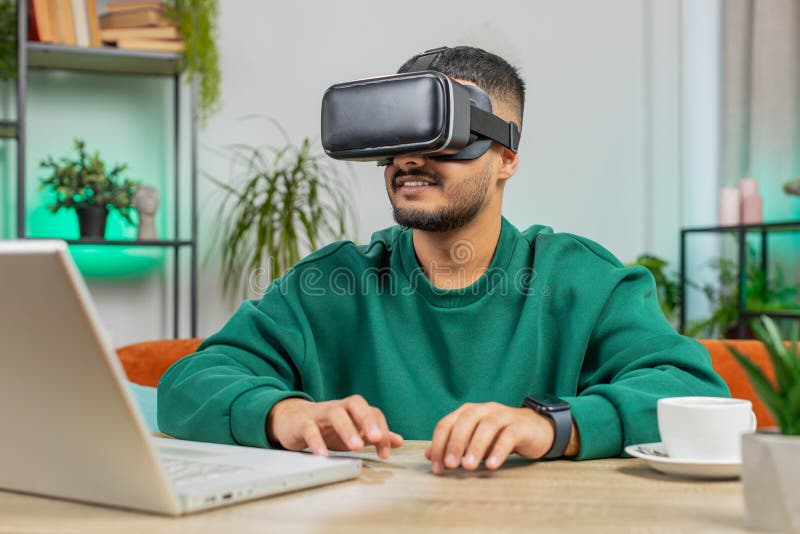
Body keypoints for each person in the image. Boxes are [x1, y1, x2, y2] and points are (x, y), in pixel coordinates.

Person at [158, 46, 729, 475]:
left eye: (442, 136)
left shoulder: (584, 281)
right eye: (397, 135)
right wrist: (280, 414)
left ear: (505, 158)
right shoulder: (327, 285)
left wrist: (550, 425)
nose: (410, 159)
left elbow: (693, 393)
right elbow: (189, 384)